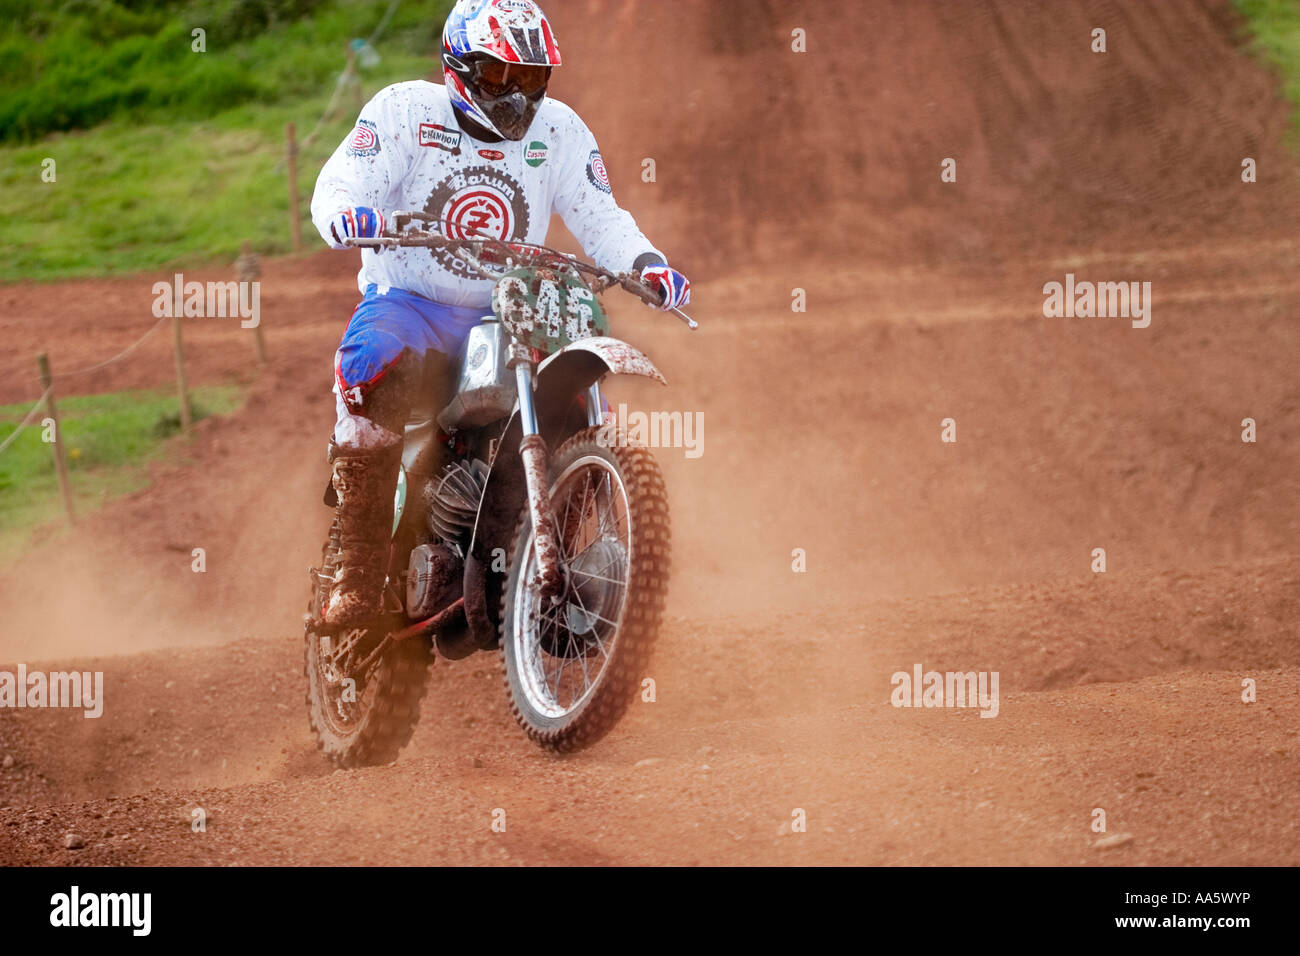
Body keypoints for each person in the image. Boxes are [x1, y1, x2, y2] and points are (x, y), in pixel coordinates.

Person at [309, 0, 690, 627]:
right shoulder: (406, 111)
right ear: (458, 67)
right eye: (497, 76)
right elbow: (342, 179)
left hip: (513, 308)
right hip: (411, 304)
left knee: (575, 387)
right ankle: (354, 572)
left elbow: (599, 216)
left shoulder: (560, 131)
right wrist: (349, 215)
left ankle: (555, 559)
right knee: (369, 361)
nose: (514, 95)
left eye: (530, 79)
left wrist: (647, 262)